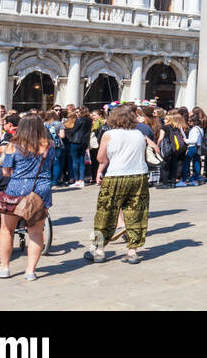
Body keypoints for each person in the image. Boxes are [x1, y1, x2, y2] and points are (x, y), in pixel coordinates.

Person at [86, 103, 157, 264]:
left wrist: (100, 171)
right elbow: (155, 150)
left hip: (116, 176)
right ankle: (132, 251)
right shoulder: (139, 133)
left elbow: (101, 158)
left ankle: (99, 250)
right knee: (136, 212)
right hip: (139, 176)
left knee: (105, 213)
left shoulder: (109, 134)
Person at [0, 115, 56, 280]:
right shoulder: (49, 145)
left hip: (16, 188)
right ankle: (30, 271)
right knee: (35, 231)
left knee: (7, 229)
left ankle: (4, 267)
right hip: (40, 189)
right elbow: (51, 163)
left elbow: (6, 171)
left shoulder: (13, 145)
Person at [65, 107, 92, 189]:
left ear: (81, 112)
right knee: (81, 161)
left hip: (76, 141)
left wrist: (68, 131)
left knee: (75, 161)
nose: (76, 113)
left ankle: (77, 180)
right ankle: (82, 180)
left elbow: (73, 130)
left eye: (77, 112)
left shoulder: (79, 119)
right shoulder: (89, 120)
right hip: (84, 142)